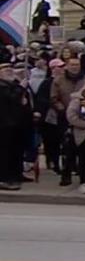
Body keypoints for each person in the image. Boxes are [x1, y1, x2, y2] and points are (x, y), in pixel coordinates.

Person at [52, 56, 85, 186]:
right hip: (64, 118)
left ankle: (83, 176)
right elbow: (54, 98)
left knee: (83, 148)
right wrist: (63, 110)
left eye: (77, 64)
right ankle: (66, 175)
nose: (74, 67)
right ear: (67, 66)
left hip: (82, 118)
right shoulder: (59, 80)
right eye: (72, 64)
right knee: (68, 148)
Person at [0, 62, 33, 190]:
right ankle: (4, 178)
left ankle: (16, 174)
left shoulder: (12, 84)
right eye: (5, 70)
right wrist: (20, 87)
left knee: (17, 151)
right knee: (5, 152)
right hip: (4, 124)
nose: (9, 71)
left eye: (10, 69)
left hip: (17, 123)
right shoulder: (2, 86)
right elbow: (11, 98)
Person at [34, 59, 63, 175]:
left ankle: (57, 162)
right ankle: (51, 161)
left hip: (61, 115)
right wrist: (52, 104)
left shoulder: (64, 82)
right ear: (53, 69)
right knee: (50, 141)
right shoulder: (46, 83)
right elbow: (40, 99)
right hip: (49, 117)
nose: (61, 69)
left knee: (59, 140)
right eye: (59, 67)